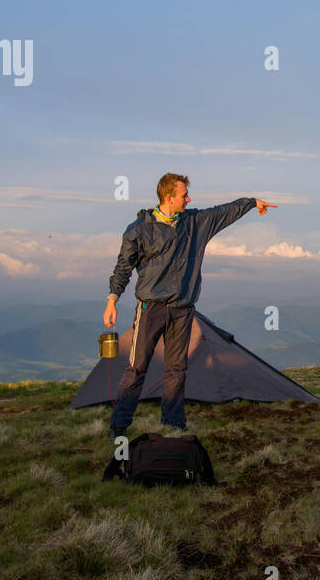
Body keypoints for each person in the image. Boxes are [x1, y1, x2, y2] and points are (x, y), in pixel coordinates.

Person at [105, 172, 276, 438]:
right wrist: (112, 300)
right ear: (168, 197)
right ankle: (119, 426)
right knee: (137, 367)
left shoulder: (195, 223)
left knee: (177, 368)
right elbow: (123, 267)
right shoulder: (139, 230)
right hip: (151, 309)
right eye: (184, 195)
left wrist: (252, 202)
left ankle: (173, 423)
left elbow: (224, 212)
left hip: (183, 309)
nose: (189, 199)